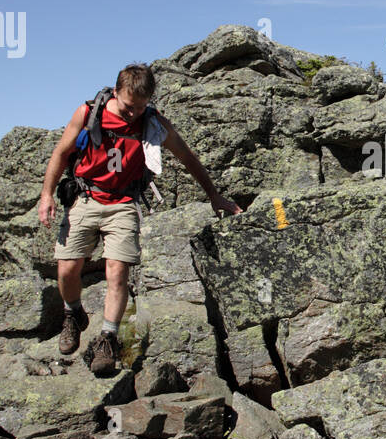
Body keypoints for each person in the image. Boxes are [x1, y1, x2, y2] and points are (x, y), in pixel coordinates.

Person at [37, 64, 241, 375]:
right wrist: (47, 195)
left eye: (141, 107)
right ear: (116, 92)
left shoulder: (152, 122)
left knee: (117, 273)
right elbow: (61, 153)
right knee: (67, 270)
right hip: (85, 197)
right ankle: (73, 314)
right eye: (129, 106)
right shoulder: (88, 113)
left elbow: (187, 157)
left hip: (123, 203)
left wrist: (214, 196)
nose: (133, 114)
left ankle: (108, 339)